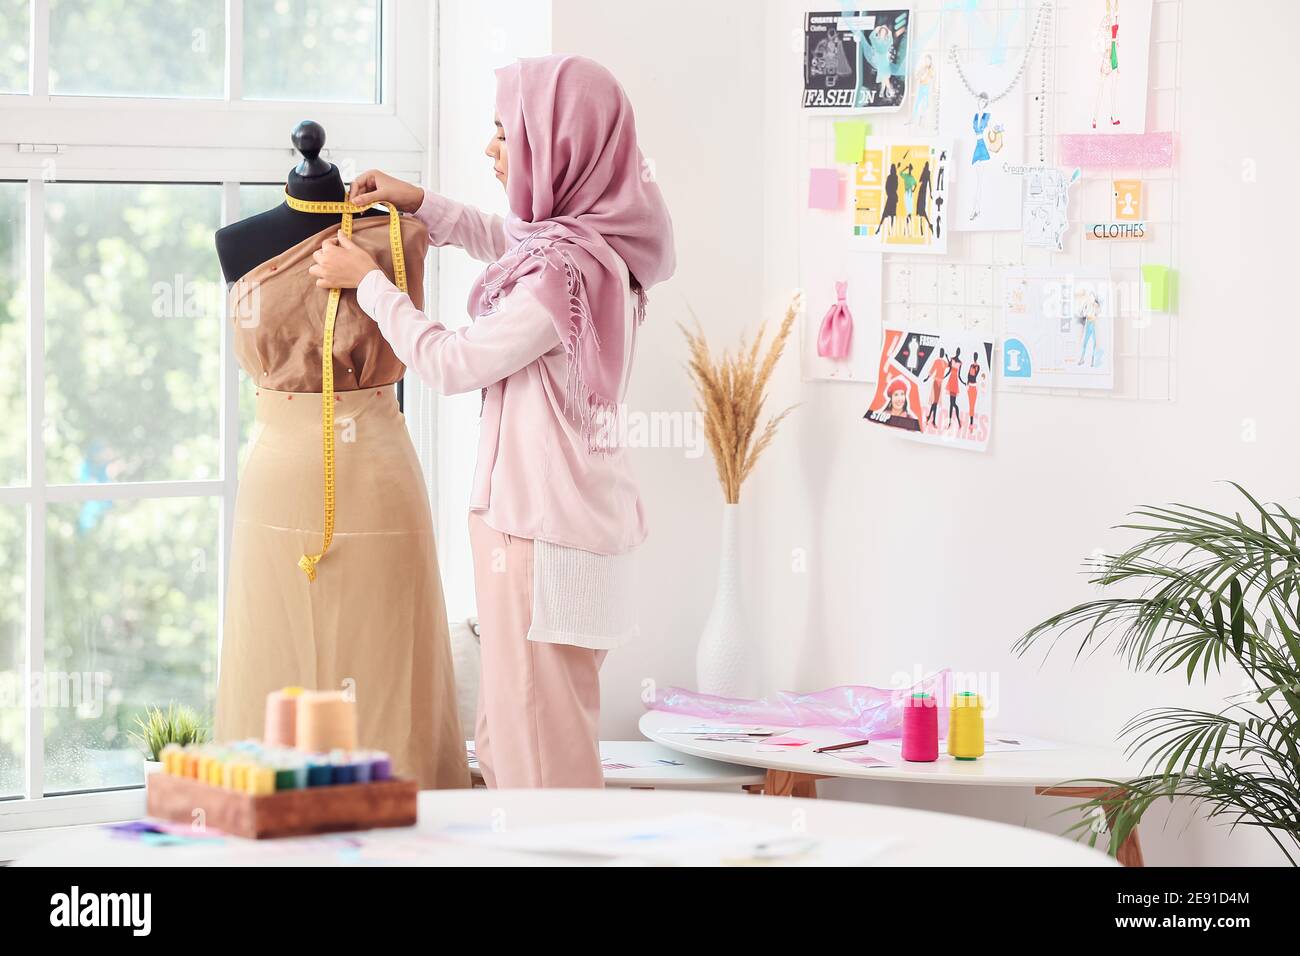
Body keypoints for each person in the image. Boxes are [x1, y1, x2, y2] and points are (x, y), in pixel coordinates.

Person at [308, 55, 675, 789]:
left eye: (507, 134)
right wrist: (424, 205)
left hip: (539, 533)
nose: (491, 149)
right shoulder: (597, 249)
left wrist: (371, 286)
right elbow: (507, 240)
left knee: (536, 756)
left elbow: (450, 364)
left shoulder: (556, 280)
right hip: (565, 528)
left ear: (560, 148)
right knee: (522, 738)